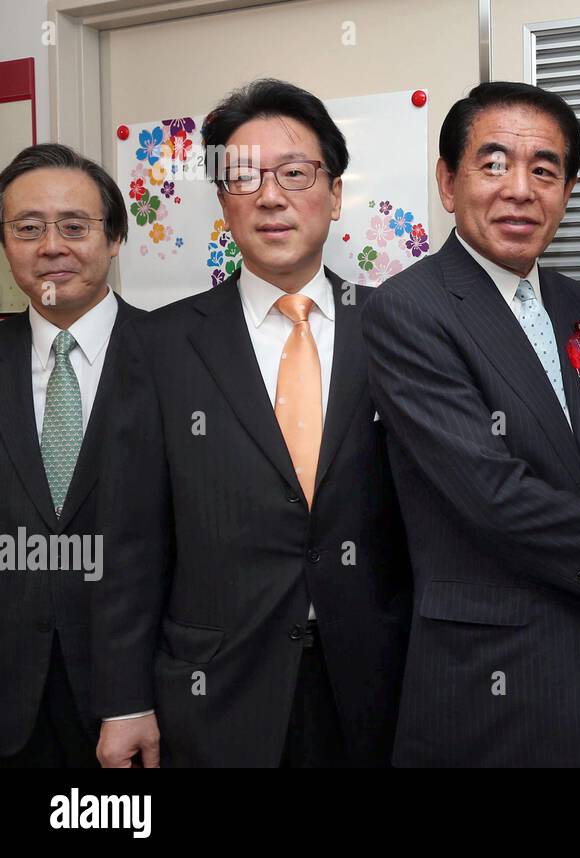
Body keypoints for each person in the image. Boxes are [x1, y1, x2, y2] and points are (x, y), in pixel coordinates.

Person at [365, 81, 580, 767]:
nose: (520, 189)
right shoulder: (408, 311)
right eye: (493, 164)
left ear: (566, 190)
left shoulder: (573, 302)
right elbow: (487, 493)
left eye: (544, 170)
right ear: (447, 180)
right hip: (493, 686)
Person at [93, 79, 410, 767]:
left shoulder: (398, 327)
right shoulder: (160, 345)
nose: (271, 197)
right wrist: (125, 700)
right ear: (221, 200)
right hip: (217, 691)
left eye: (296, 174)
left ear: (333, 192)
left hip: (375, 684)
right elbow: (128, 539)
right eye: (244, 177)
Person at [0, 144, 142, 767]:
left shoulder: (177, 356)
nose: (51, 246)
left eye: (75, 227)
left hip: (135, 700)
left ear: (113, 238)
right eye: (28, 229)